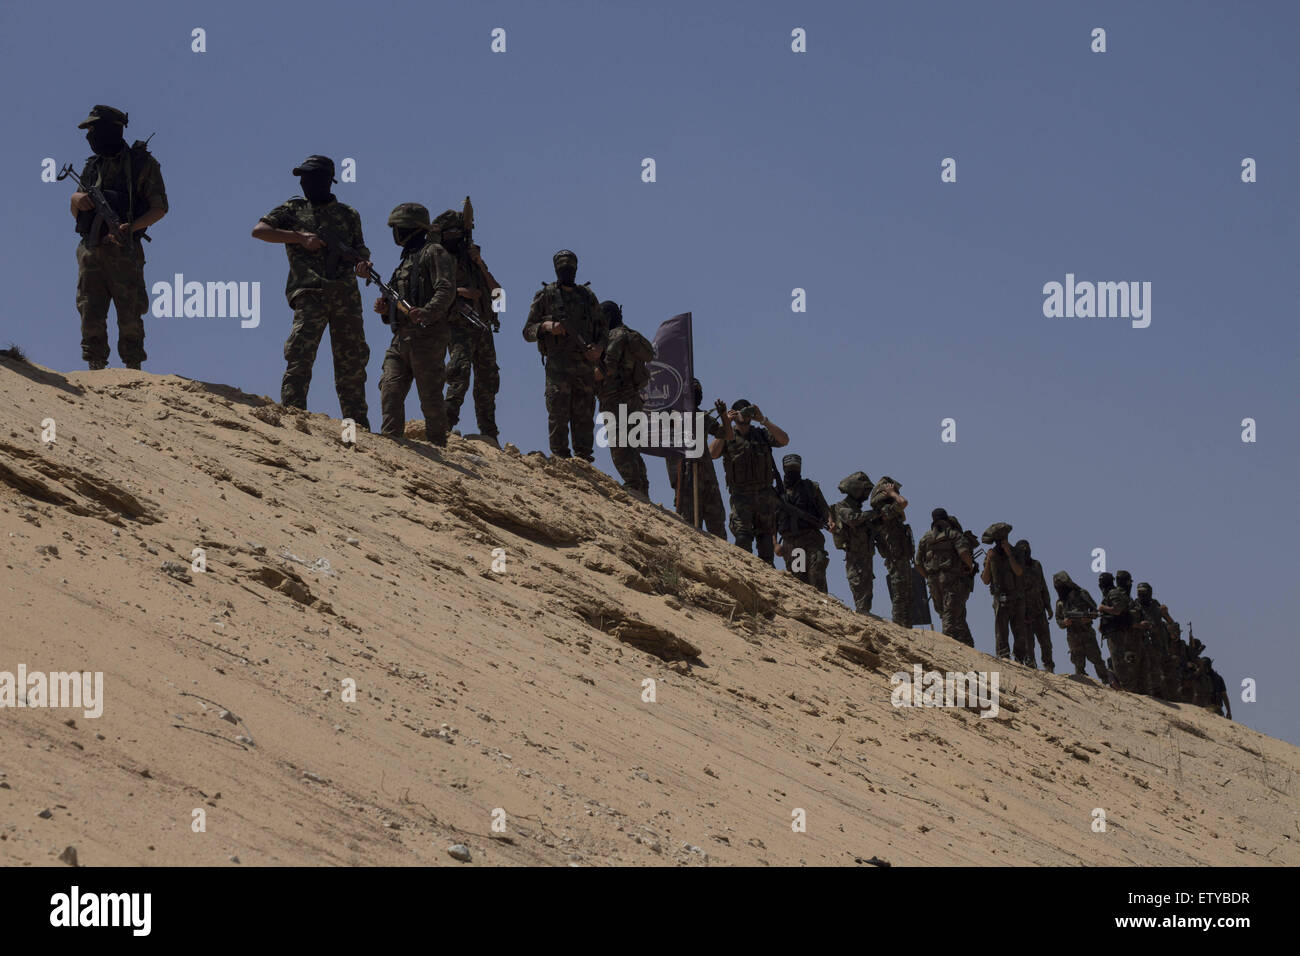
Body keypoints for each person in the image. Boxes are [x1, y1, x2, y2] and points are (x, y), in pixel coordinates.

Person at [252, 155, 373, 429]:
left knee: (352, 363)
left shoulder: (348, 214)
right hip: (309, 292)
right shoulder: (292, 209)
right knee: (300, 356)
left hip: (345, 297)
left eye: (311, 177)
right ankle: (295, 417)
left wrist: (362, 265)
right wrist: (299, 237)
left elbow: (361, 250)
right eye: (303, 178)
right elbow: (259, 231)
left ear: (327, 181)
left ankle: (356, 428)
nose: (305, 182)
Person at [68, 105, 168, 371]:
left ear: (111, 129)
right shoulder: (92, 166)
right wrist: (77, 198)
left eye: (93, 129)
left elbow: (160, 208)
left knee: (130, 313)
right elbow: (75, 209)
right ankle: (95, 366)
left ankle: (133, 369)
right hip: (91, 250)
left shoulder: (141, 164)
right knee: (90, 310)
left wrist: (131, 227)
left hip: (124, 251)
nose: (89, 135)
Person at [372, 203, 456, 443]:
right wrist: (385, 310)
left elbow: (446, 290)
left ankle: (438, 446)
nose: (395, 233)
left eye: (398, 227)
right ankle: (392, 444)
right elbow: (395, 302)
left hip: (428, 337)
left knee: (430, 398)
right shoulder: (405, 262)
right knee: (390, 390)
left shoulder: (434, 252)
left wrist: (426, 313)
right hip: (401, 338)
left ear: (411, 228)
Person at [522, 250, 607, 460]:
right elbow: (527, 331)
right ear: (556, 270)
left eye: (570, 267)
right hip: (558, 366)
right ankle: (560, 457)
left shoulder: (587, 297)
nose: (567, 271)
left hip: (584, 366)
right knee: (558, 412)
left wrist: (599, 348)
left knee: (584, 415)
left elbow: (603, 330)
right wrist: (547, 326)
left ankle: (583, 458)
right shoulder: (546, 295)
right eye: (562, 268)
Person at [434, 208, 500, 443]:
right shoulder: (440, 260)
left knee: (488, 380)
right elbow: (432, 291)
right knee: (459, 373)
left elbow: (498, 294)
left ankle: (489, 433)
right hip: (457, 326)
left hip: (481, 327)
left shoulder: (472, 261)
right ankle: (444, 425)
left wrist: (480, 263)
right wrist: (462, 292)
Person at [709, 398, 789, 565]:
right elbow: (712, 453)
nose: (744, 415)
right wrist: (726, 423)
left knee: (766, 544)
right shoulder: (729, 437)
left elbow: (784, 440)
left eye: (747, 411)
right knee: (742, 541)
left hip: (764, 498)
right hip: (741, 498)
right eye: (740, 411)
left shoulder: (761, 434)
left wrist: (763, 420)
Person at [596, 300, 654, 498]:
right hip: (633, 398)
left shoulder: (615, 336)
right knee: (632, 445)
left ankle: (633, 486)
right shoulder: (630, 335)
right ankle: (641, 488)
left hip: (615, 398)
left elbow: (608, 367)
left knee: (619, 444)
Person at [665, 379, 726, 537]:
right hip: (686, 479)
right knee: (690, 529)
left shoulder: (702, 417)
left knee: (717, 525)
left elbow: (727, 434)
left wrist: (724, 416)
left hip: (707, 479)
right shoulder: (673, 418)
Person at [915, 508, 975, 645]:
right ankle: (948, 647)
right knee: (950, 614)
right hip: (951, 580)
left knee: (949, 614)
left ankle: (968, 645)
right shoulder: (954, 535)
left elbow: (918, 564)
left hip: (933, 581)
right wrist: (970, 566)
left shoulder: (925, 538)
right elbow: (965, 554)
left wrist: (928, 577)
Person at [775, 454, 832, 592]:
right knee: (799, 581)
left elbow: (825, 509)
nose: (792, 472)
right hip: (792, 543)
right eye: (789, 469)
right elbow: (770, 522)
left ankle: (824, 607)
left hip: (811, 538)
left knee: (817, 571)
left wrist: (830, 522)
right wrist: (775, 544)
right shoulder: (777, 493)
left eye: (795, 468)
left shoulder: (810, 487)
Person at [869, 477, 916, 627]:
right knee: (900, 594)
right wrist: (892, 493)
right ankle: (900, 626)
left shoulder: (890, 513)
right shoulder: (884, 511)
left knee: (907, 594)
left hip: (901, 557)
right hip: (895, 558)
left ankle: (906, 626)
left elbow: (902, 513)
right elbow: (903, 503)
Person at [1052, 571, 1112, 684]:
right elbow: (1058, 620)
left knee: (1097, 660)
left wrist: (1089, 618)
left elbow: (1094, 610)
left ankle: (1107, 681)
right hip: (1073, 636)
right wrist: (1065, 623)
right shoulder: (1060, 603)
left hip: (1087, 633)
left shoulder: (1082, 594)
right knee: (1078, 662)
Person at [831, 471, 878, 614]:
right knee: (858, 585)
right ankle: (862, 614)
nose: (865, 495)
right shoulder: (842, 506)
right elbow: (852, 519)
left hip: (866, 555)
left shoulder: (858, 509)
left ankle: (865, 614)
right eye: (864, 491)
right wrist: (871, 514)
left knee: (867, 588)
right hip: (855, 556)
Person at [981, 528, 1027, 661]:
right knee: (1001, 632)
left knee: (1020, 632)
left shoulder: (1017, 552)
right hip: (999, 599)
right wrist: (989, 560)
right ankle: (1004, 657)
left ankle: (1019, 659)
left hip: (1016, 599)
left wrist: (1009, 554)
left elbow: (1019, 571)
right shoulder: (992, 554)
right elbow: (985, 580)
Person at [1013, 540, 1055, 672]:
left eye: (1027, 548)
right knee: (1028, 643)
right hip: (1023, 612)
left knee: (1046, 642)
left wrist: (1048, 606)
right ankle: (1031, 665)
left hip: (1039, 609)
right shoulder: (1016, 567)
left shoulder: (1037, 565)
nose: (1025, 551)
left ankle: (1049, 666)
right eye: (1022, 549)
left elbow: (1043, 585)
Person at [1098, 570, 1141, 692]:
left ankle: (1125, 688)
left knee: (1119, 663)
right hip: (1113, 631)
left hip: (1117, 632)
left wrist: (1103, 608)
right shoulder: (1110, 593)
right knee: (1116, 662)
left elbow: (1117, 610)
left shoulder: (1113, 593)